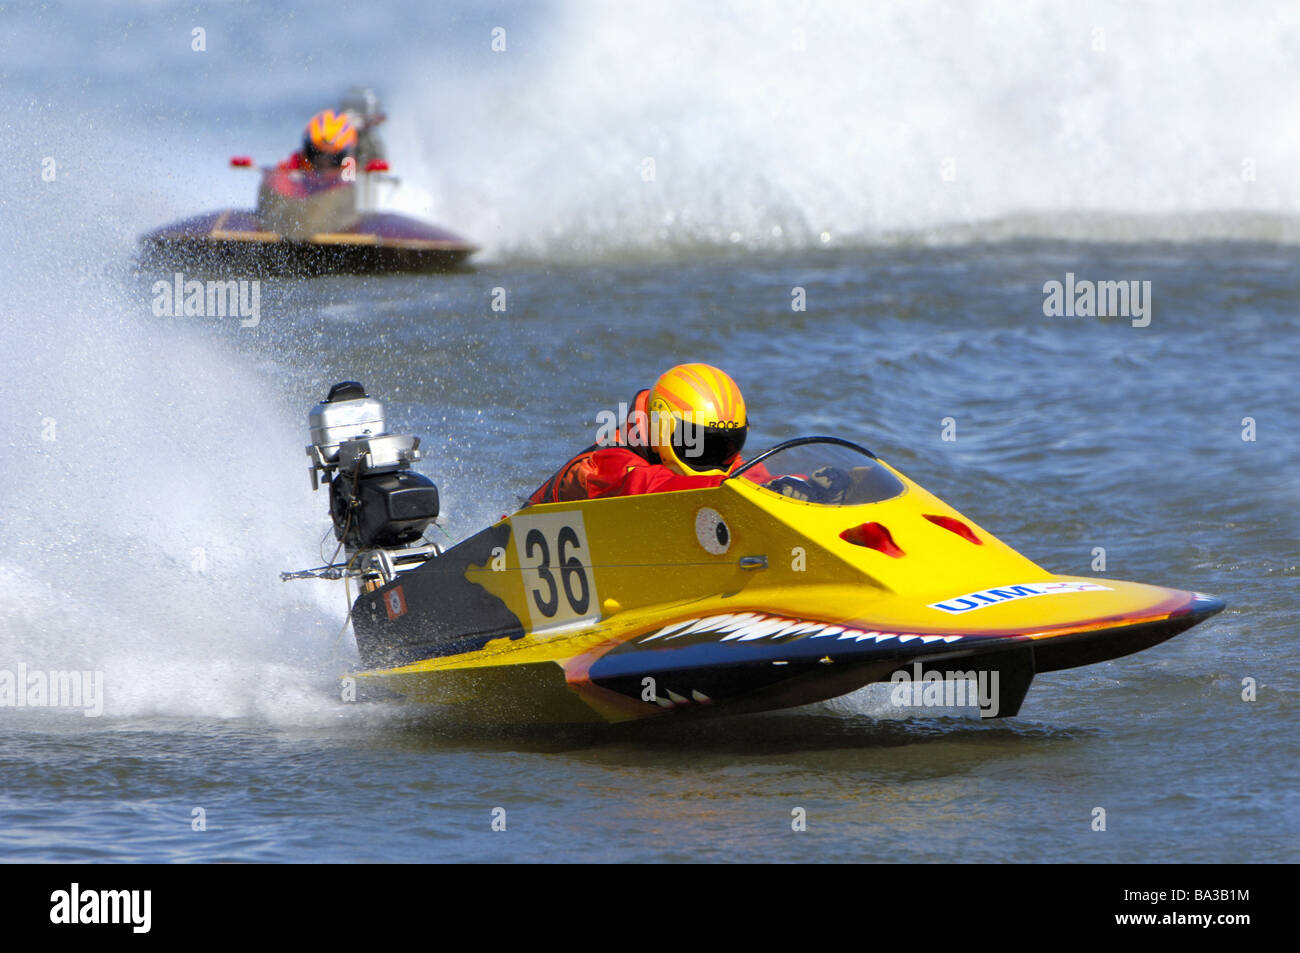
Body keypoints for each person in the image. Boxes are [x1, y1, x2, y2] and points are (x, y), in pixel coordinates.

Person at [528, 363, 751, 504]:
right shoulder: (607, 462)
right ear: (663, 428)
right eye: (698, 442)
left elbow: (752, 476)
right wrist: (731, 488)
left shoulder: (724, 464)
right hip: (517, 548)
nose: (714, 457)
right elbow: (646, 485)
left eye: (725, 447)